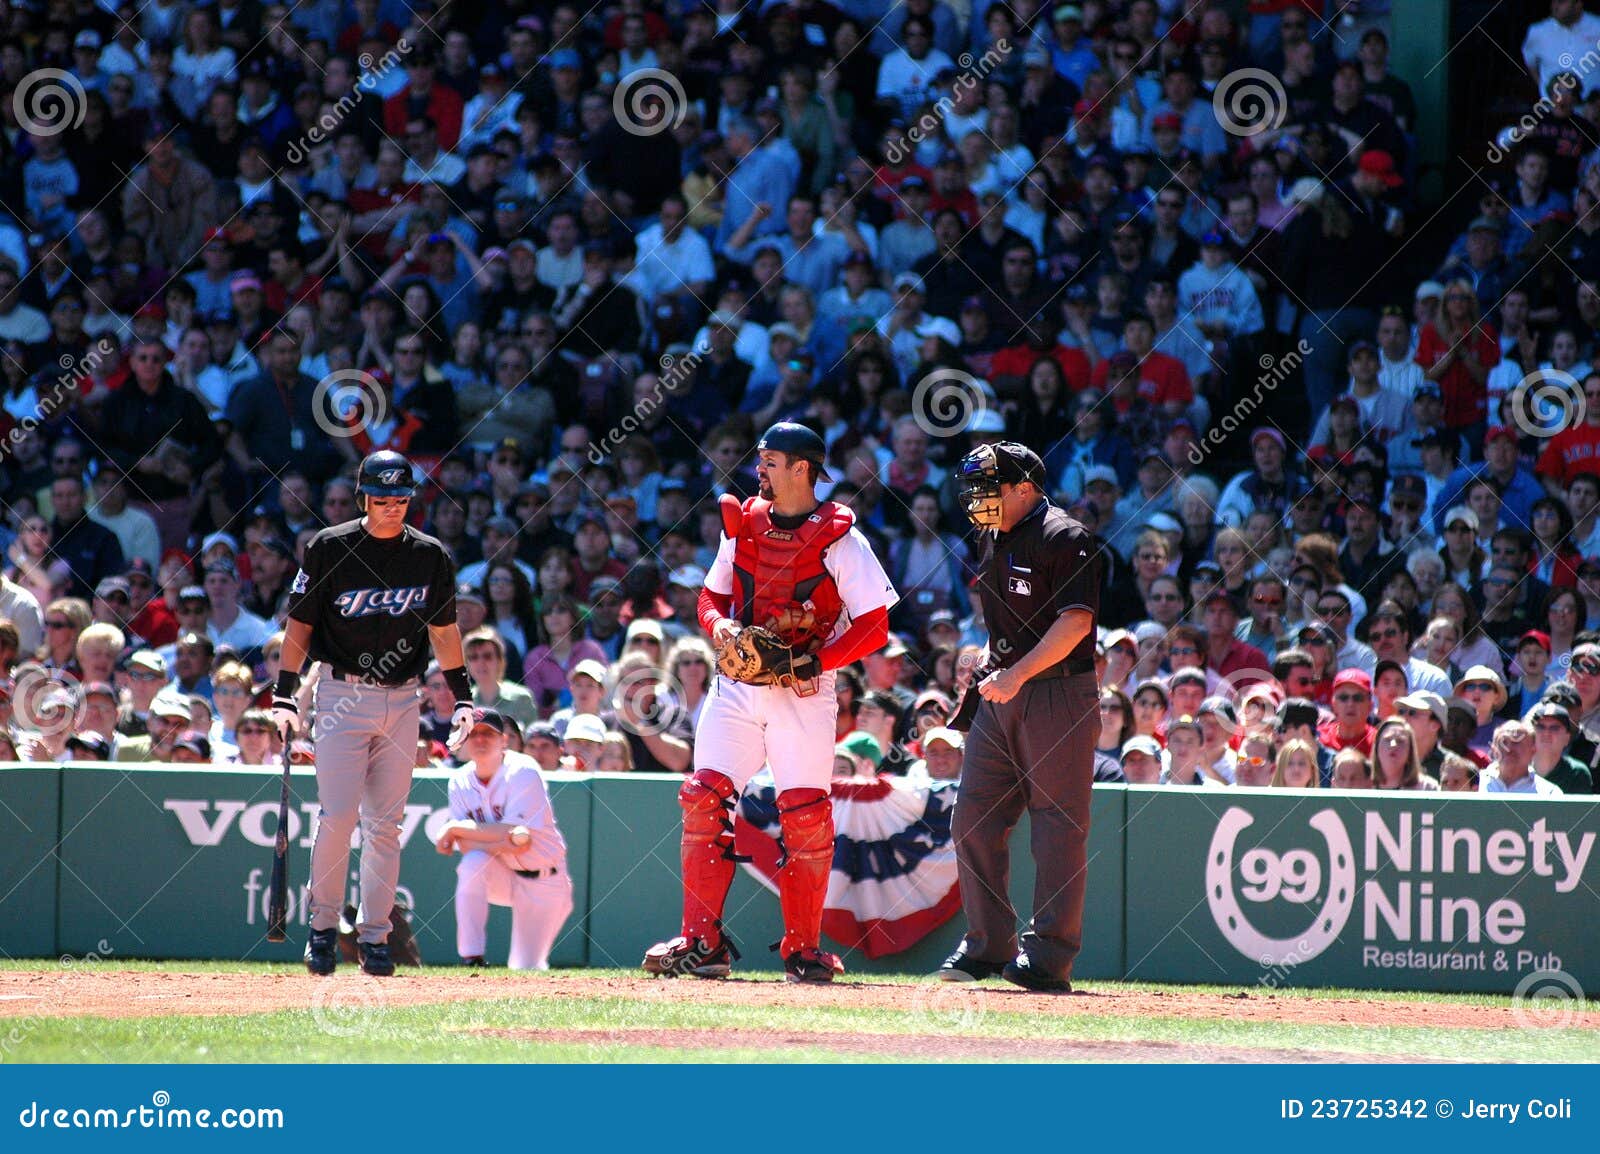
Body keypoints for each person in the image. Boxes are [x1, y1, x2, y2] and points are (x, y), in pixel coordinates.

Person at [643, 423, 896, 984]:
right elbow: (711, 594)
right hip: (735, 686)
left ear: (803, 468)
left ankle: (804, 950)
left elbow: (876, 627)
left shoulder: (842, 537)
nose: (759, 469)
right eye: (761, 459)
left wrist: (812, 663)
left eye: (772, 460)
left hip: (804, 693)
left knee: (805, 816)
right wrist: (721, 627)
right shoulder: (743, 523)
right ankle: (701, 941)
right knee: (702, 797)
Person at [274, 451, 474, 978]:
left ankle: (376, 939)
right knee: (338, 817)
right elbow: (299, 627)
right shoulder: (329, 546)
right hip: (341, 693)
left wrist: (463, 696)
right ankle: (321, 930)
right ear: (363, 497)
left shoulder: (430, 556)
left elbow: (445, 631)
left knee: (385, 826)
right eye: (382, 499)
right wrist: (283, 694)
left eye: (401, 499)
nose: (392, 508)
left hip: (404, 697)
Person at [939, 440, 1100, 994]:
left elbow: (1076, 624)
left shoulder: (1066, 536)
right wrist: (992, 658)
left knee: (1056, 828)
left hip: (1058, 694)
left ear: (1024, 488)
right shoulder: (994, 534)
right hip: (1001, 692)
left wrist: (1017, 673)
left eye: (988, 488)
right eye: (974, 488)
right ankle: (988, 944)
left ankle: (1049, 957)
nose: (976, 499)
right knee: (973, 819)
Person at [437, 707, 573, 969]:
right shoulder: (459, 782)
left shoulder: (522, 769)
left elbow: (513, 832)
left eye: (488, 733)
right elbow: (467, 845)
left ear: (504, 740)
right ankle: (472, 957)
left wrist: (455, 827)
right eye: (473, 734)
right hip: (504, 874)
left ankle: (528, 961)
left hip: (545, 878)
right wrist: (496, 841)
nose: (480, 740)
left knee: (526, 967)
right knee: (472, 863)